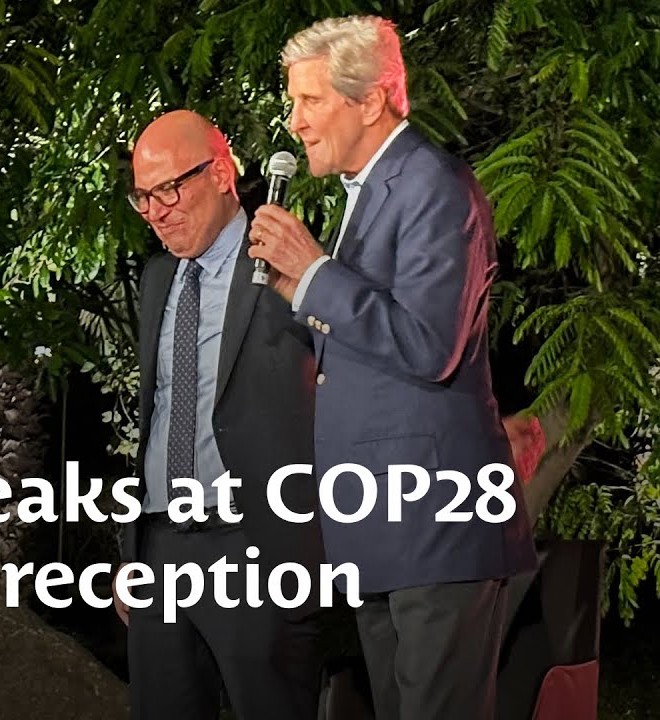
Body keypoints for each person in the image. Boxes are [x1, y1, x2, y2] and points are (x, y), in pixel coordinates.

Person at [247, 15, 538, 720]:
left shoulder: (432, 184)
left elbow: (429, 345)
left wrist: (315, 273)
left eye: (310, 101)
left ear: (370, 101)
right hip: (383, 531)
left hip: (436, 528)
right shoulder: (373, 189)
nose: (295, 123)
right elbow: (365, 353)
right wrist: (302, 295)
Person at [112, 109, 327, 720]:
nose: (156, 211)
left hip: (256, 550)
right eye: (143, 198)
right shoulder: (156, 280)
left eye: (169, 189)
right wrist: (134, 551)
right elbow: (155, 416)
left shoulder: (287, 262)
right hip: (160, 553)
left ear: (222, 171)